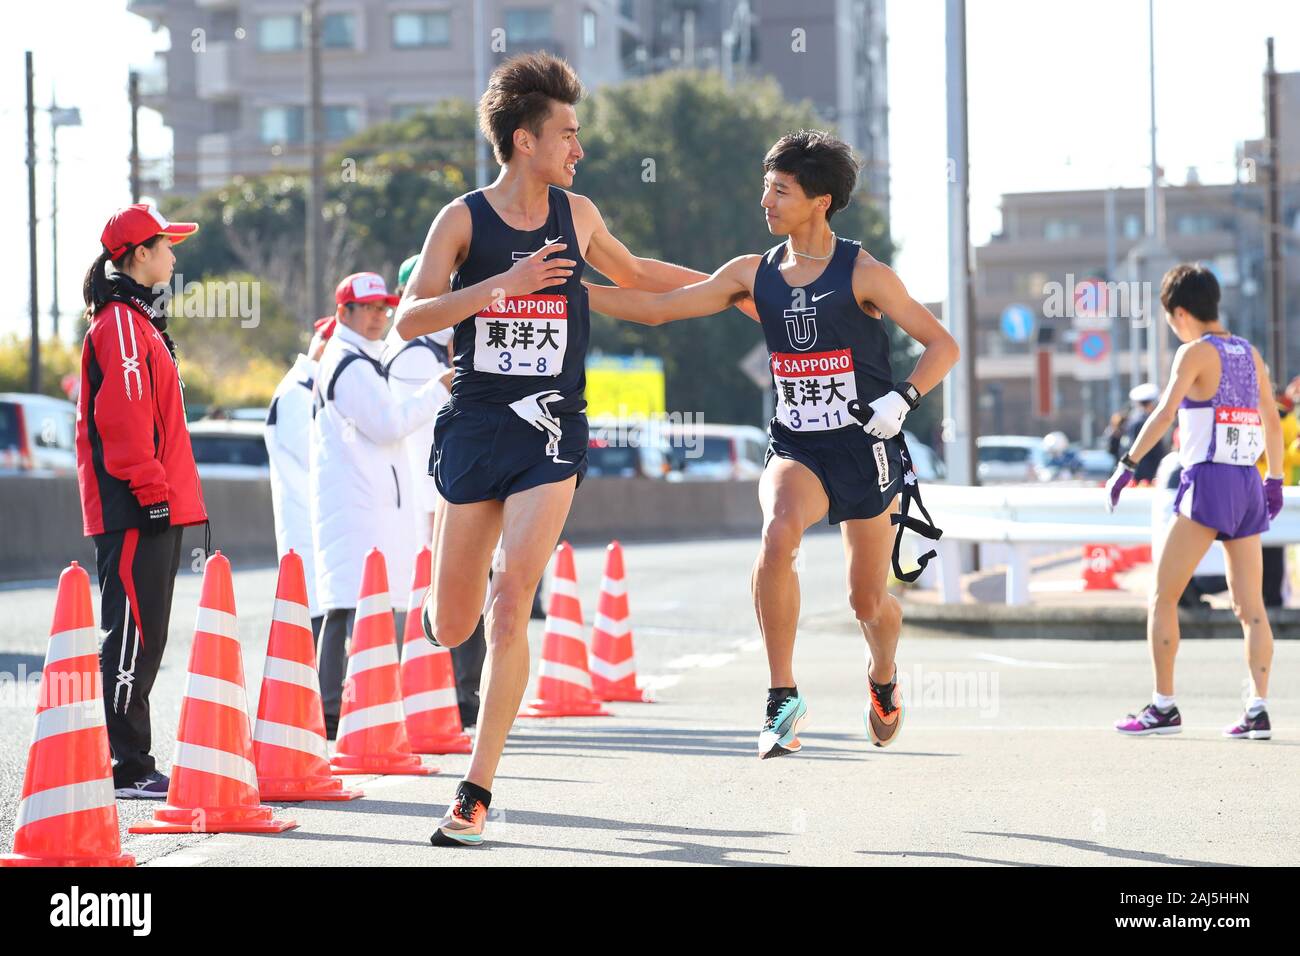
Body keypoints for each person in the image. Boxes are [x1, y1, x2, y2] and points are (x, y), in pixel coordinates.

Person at [394, 52, 747, 846]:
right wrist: (502, 288)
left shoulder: (577, 215)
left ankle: (475, 792)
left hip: (551, 428)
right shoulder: (462, 220)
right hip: (477, 424)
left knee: (512, 599)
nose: (578, 149)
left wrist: (737, 288)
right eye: (567, 135)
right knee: (454, 622)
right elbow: (408, 320)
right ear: (524, 141)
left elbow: (643, 285)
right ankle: (440, 612)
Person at [585, 130, 959, 759]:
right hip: (797, 448)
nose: (765, 200)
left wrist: (904, 399)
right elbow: (659, 308)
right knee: (777, 534)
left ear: (821, 200)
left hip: (865, 447)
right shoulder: (752, 275)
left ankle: (884, 677)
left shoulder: (865, 274)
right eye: (766, 186)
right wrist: (570, 291)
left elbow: (942, 345)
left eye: (780, 190)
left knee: (868, 600)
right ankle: (782, 694)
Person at [1107, 263, 1284, 740]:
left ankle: (1163, 706)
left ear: (1180, 312)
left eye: (1169, 318)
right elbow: (1271, 417)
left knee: (1162, 595)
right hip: (1249, 483)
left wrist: (1127, 464)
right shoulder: (1250, 353)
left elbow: (1165, 413)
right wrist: (1276, 479)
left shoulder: (1193, 354)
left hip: (1207, 482)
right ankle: (1258, 710)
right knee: (1251, 608)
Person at [74, 202, 206, 798]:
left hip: (154, 501)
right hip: (137, 503)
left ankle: (132, 759)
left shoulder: (136, 320)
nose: (174, 256)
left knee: (145, 633)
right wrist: (152, 491)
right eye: (166, 246)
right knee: (130, 632)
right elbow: (125, 420)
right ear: (139, 255)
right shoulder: (122, 326)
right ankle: (128, 766)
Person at [311, 271, 447, 738]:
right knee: (349, 605)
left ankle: (344, 707)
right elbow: (389, 425)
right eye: (367, 308)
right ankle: (332, 709)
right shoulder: (349, 364)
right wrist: (439, 389)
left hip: (364, 502)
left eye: (382, 308)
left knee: (356, 604)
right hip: (358, 506)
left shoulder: (357, 359)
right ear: (343, 312)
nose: (377, 316)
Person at [384, 255, 484, 728]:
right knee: (452, 594)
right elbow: (419, 427)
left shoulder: (433, 346)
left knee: (458, 593)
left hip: (435, 487)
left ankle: (458, 696)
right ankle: (456, 699)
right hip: (433, 491)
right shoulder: (413, 354)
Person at [265, 318, 332, 636]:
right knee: (313, 623)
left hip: (319, 528)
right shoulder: (295, 392)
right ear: (321, 348)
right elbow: (316, 458)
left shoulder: (310, 387)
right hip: (306, 526)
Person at [1258, 389, 1298, 607]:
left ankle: (1272, 598)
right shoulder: (1243, 414)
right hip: (1251, 490)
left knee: (1273, 551)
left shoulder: (1286, 419)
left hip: (1274, 493)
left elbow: (1294, 456)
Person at [1125, 383, 1165, 483]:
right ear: (1151, 404)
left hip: (1138, 469)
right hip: (1147, 472)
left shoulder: (1134, 419)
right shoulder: (1145, 421)